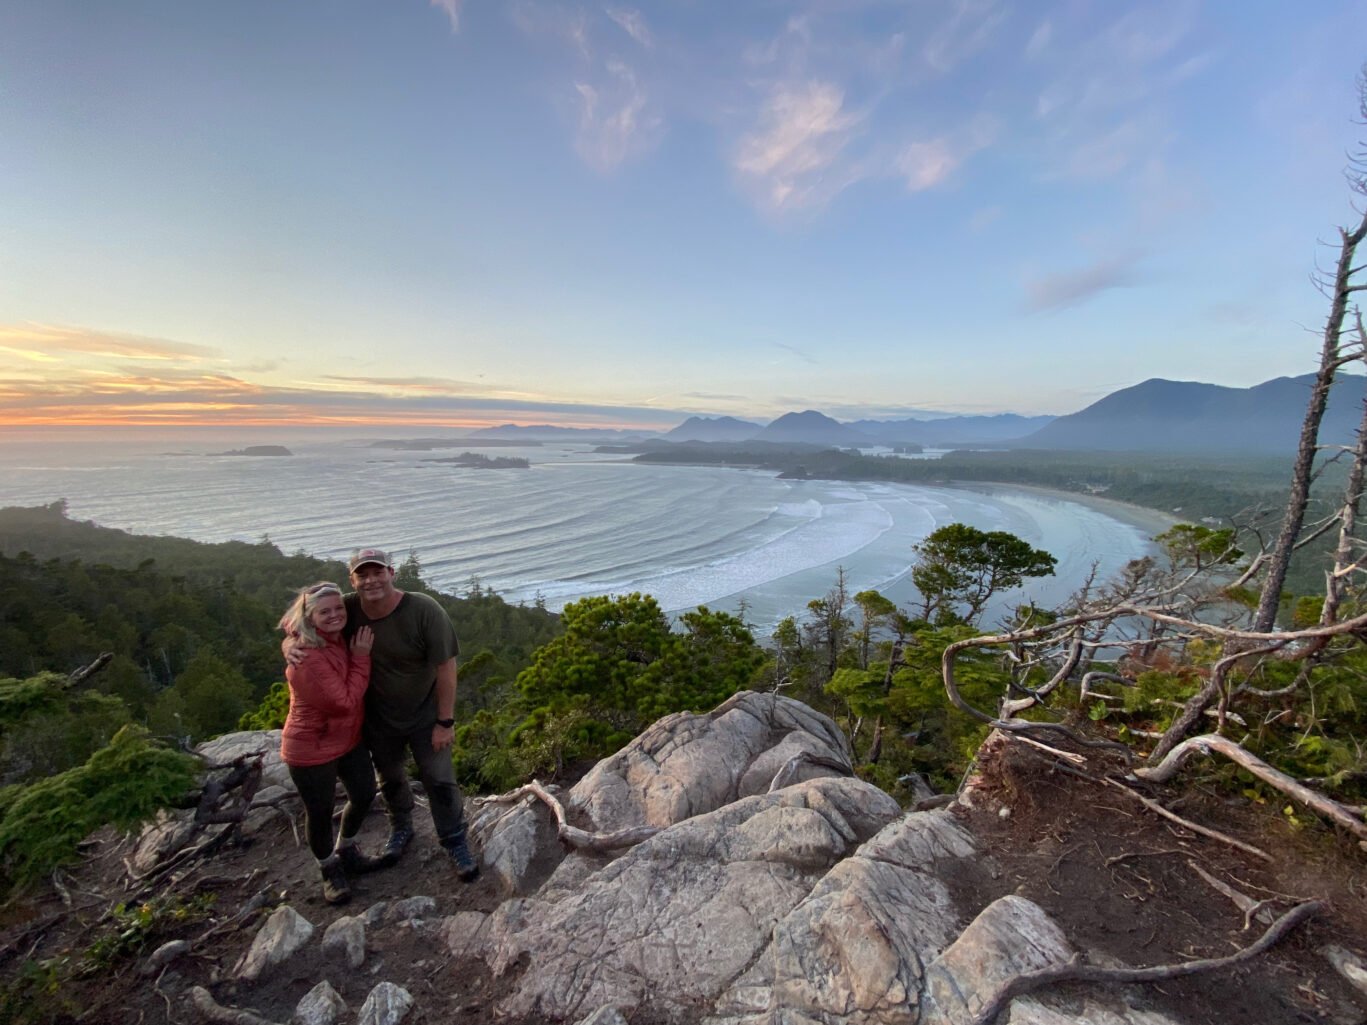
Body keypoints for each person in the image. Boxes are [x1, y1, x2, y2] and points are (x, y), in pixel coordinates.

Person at [342, 547, 479, 881]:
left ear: (392, 573)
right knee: (389, 778)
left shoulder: (423, 610)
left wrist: (445, 721)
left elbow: (446, 667)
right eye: (363, 575)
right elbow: (305, 620)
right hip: (378, 719)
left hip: (425, 715)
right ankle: (401, 827)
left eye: (378, 572)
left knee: (439, 779)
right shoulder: (346, 610)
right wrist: (292, 644)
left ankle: (454, 839)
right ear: (352, 580)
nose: (371, 581)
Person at [278, 581, 386, 905]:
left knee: (364, 793)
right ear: (309, 617)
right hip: (310, 747)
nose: (336, 615)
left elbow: (289, 628)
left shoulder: (334, 637)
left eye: (339, 608)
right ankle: (328, 869)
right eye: (325, 612)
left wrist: (286, 641)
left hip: (347, 738)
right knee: (320, 811)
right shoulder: (307, 657)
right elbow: (344, 703)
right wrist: (361, 657)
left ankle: (347, 849)